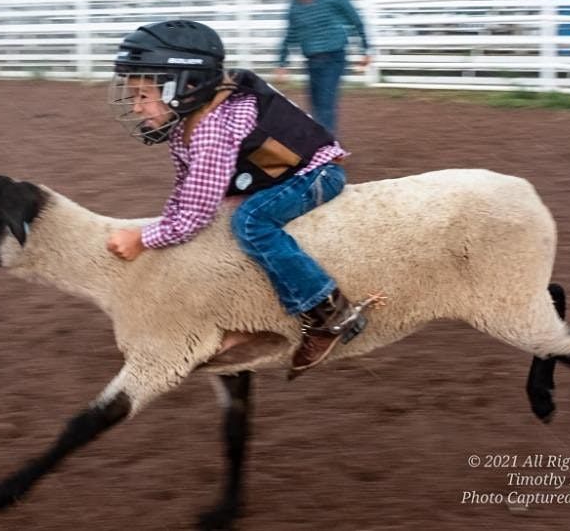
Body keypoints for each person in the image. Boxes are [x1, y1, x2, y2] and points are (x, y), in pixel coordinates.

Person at [107, 19, 376, 376]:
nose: (137, 107)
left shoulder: (211, 130)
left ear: (185, 87)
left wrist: (144, 238)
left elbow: (194, 215)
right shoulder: (189, 120)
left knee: (250, 222)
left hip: (317, 174)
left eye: (143, 95)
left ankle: (329, 311)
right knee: (223, 220)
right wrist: (166, 225)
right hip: (283, 172)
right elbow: (188, 187)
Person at [274, 0, 371, 135]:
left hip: (333, 58)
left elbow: (355, 20)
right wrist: (282, 63)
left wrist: (365, 49)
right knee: (316, 105)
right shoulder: (295, 6)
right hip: (312, 61)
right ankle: (325, 143)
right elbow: (290, 35)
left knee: (325, 105)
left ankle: (327, 145)